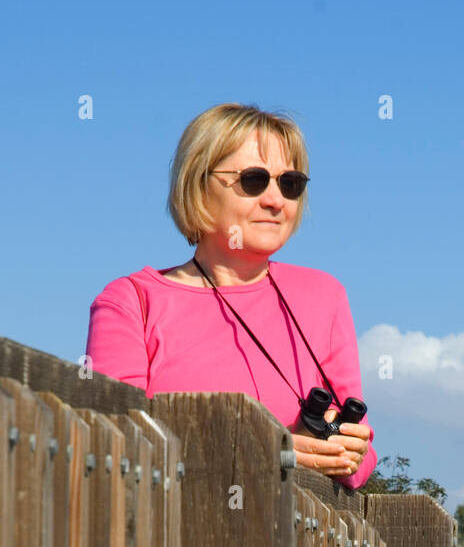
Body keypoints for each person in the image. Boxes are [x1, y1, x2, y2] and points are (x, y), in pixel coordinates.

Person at [85, 102, 376, 489]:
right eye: (253, 180)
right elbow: (113, 440)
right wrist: (264, 454)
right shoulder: (131, 301)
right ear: (199, 185)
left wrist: (349, 452)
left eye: (290, 184)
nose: (275, 200)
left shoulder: (324, 295)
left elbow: (364, 451)